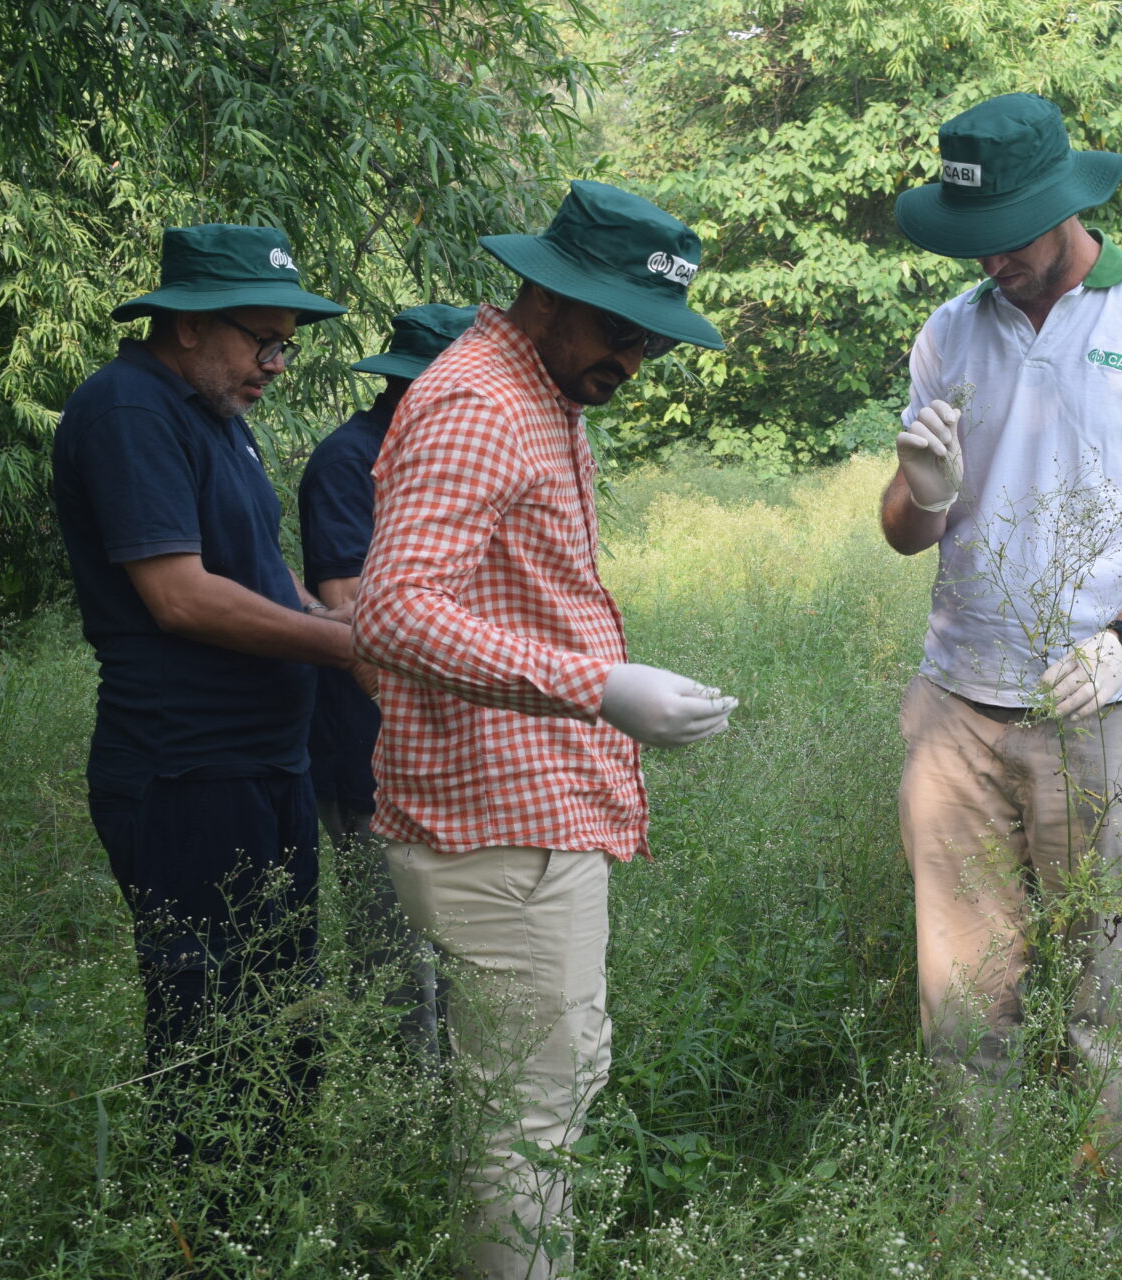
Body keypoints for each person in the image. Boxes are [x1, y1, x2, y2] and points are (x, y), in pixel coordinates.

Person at [353, 180, 736, 1280]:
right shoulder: (483, 402)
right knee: (526, 1127)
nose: (634, 356)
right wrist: (597, 685)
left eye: (653, 338)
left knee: (542, 1106)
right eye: (618, 326)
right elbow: (391, 609)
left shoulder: (542, 396)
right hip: (495, 832)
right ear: (548, 290)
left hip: (525, 815)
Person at [883, 93, 1122, 1220]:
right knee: (963, 1007)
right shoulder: (949, 330)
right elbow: (904, 527)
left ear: (1073, 208)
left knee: (1115, 1008)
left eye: (1017, 237)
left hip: (1114, 715)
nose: (997, 260)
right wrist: (922, 492)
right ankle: (982, 1224)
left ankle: (1121, 1235)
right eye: (977, 238)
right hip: (959, 716)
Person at [51, 224, 367, 1181]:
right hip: (185, 769)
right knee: (211, 1027)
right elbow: (179, 596)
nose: (274, 363)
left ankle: (271, 1209)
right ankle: (205, 1227)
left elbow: (267, 577)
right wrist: (349, 644)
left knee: (283, 1011)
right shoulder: (128, 411)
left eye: (285, 343)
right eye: (260, 341)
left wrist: (370, 627)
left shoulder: (223, 419)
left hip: (270, 763)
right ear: (185, 326)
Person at [299, 303, 477, 1064]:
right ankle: (401, 1113)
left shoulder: (446, 454)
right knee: (393, 953)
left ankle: (456, 1104)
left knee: (464, 946)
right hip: (373, 746)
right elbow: (349, 615)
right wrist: (430, 731)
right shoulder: (349, 460)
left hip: (455, 747)